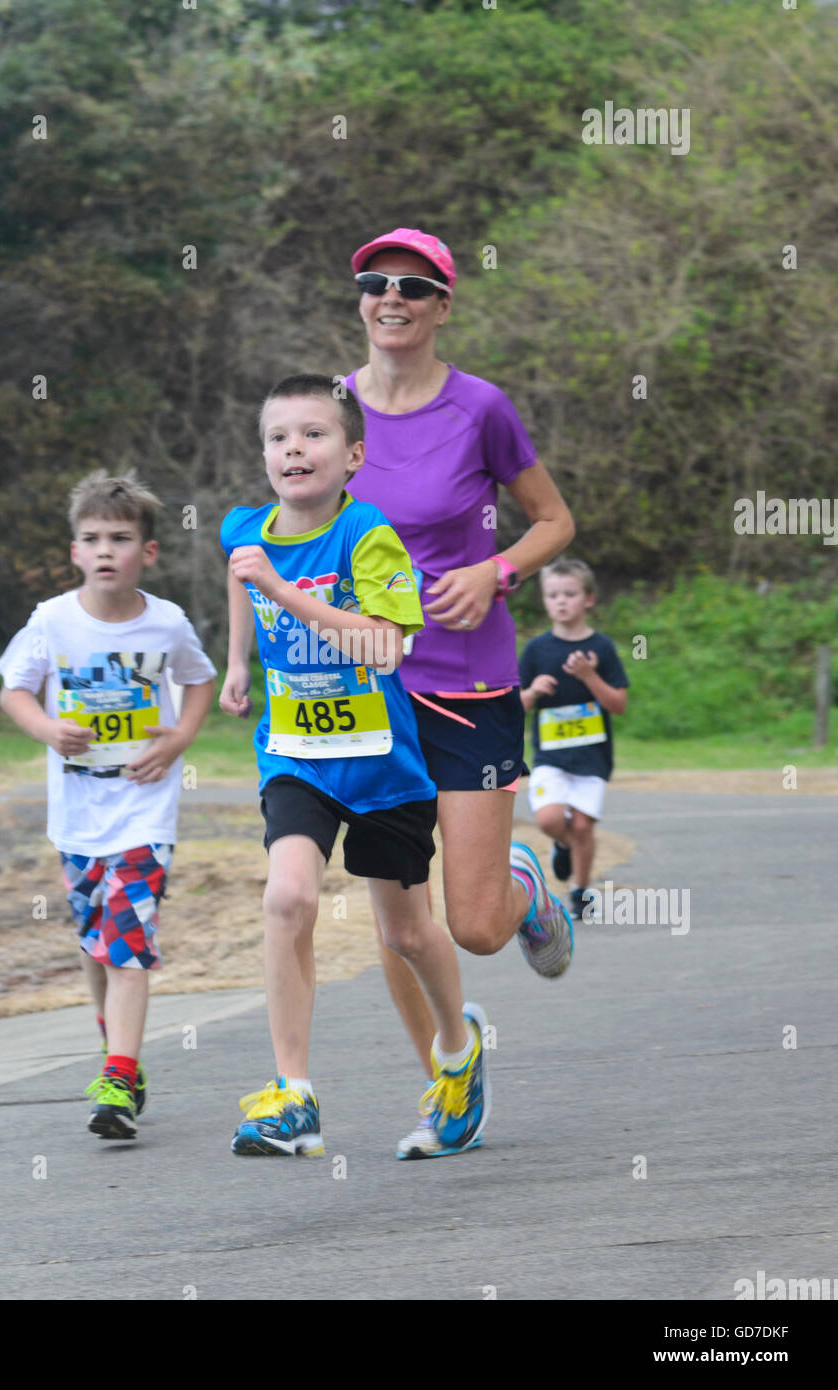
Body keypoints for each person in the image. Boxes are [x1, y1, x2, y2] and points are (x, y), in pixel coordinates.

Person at [341, 227, 577, 1157]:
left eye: (411, 285)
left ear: (442, 305)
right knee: (400, 922)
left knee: (473, 928)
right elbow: (289, 535)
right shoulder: (329, 410)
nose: (388, 297)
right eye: (373, 282)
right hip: (369, 694)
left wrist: (497, 572)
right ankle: (450, 1081)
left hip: (472, 681)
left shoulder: (481, 409)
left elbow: (553, 520)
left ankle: (524, 887)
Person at [219, 374, 490, 1160]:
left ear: (353, 455)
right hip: (295, 754)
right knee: (287, 896)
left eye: (313, 434)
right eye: (278, 437)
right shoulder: (245, 528)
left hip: (380, 761)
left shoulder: (367, 536)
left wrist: (283, 590)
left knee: (406, 932)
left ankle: (454, 1056)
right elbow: (242, 576)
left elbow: (383, 645)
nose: (293, 449)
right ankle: (292, 1096)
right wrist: (238, 662)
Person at [0, 469, 217, 1140]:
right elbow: (15, 690)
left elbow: (199, 682)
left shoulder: (167, 624)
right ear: (73, 552)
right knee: (96, 946)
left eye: (119, 539)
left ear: (147, 551)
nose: (104, 550)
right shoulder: (53, 621)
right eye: (90, 538)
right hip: (76, 818)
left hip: (144, 814)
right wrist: (46, 728)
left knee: (126, 944)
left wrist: (176, 738)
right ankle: (112, 1049)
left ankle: (119, 1077)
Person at [519, 558, 629, 920]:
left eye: (570, 594)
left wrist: (589, 677)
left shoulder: (602, 647)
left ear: (589, 599)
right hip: (550, 755)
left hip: (593, 757)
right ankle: (563, 846)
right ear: (545, 600)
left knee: (583, 824)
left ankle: (580, 892)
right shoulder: (536, 650)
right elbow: (515, 705)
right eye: (553, 595)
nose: (561, 601)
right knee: (550, 820)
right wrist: (533, 691)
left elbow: (618, 705)